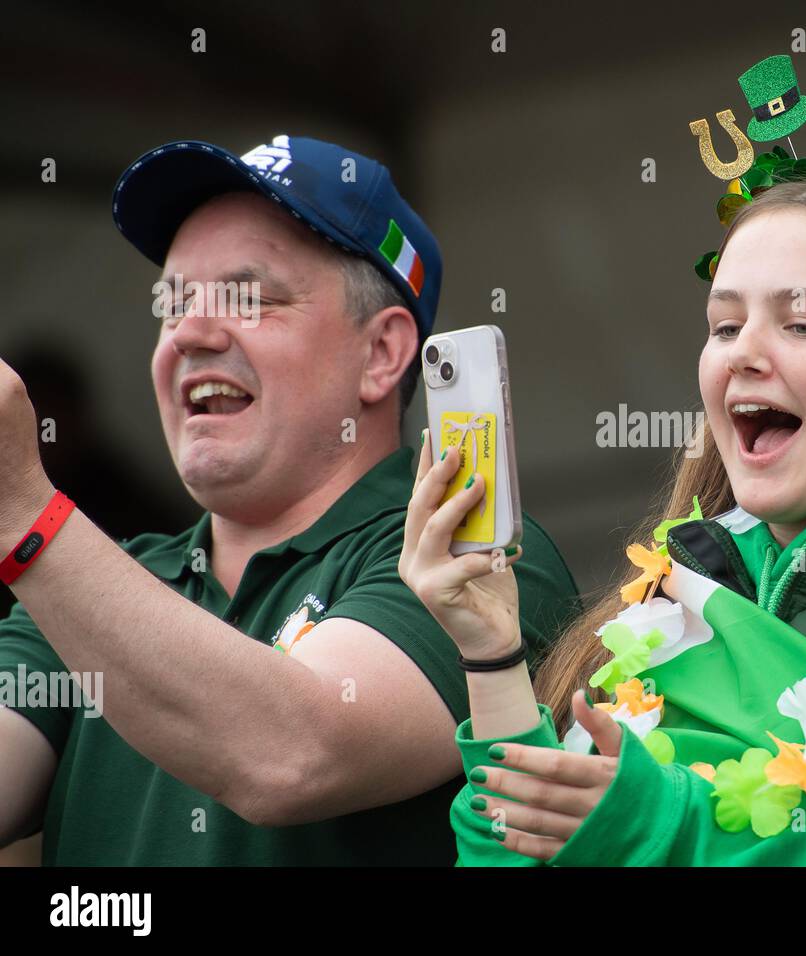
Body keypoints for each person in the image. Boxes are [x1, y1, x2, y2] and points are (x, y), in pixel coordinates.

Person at [399, 54, 806, 865]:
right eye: (725, 327)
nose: (743, 356)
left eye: (801, 325)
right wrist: (491, 652)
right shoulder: (640, 619)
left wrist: (659, 824)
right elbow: (511, 856)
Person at [0, 134, 579, 865]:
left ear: (382, 355)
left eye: (250, 299)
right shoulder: (89, 586)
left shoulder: (478, 560)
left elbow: (291, 755)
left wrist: (25, 513)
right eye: (171, 305)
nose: (190, 334)